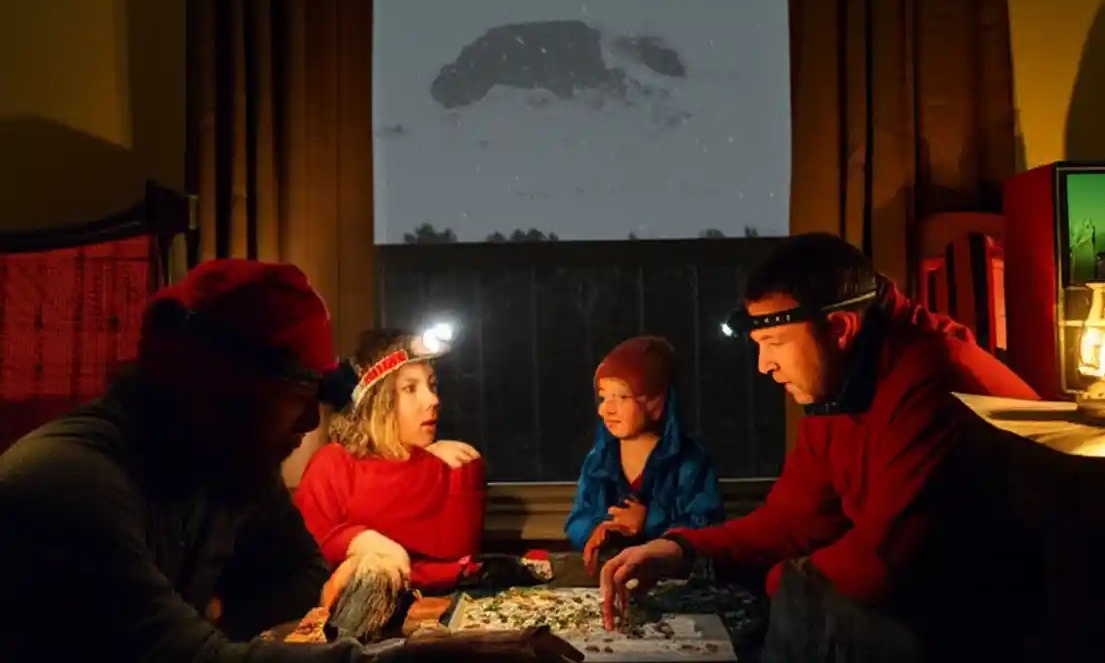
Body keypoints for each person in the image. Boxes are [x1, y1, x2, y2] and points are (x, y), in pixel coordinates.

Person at [0, 259, 578, 662]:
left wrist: (331, 592)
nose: (309, 425)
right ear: (223, 388)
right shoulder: (64, 484)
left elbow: (301, 578)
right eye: (299, 398)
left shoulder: (223, 466)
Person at [599, 234, 1041, 662]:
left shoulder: (934, 382)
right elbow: (791, 522)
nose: (764, 365)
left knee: (795, 596)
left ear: (839, 327)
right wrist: (679, 549)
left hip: (992, 630)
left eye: (774, 343)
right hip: (918, 612)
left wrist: (782, 582)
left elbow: (881, 565)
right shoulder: (844, 387)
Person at [294, 328, 485, 596]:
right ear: (377, 402)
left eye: (432, 385)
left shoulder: (456, 466)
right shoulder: (334, 465)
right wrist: (359, 540)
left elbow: (456, 558)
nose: (433, 400)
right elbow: (303, 551)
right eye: (410, 388)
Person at [564, 336, 723, 574]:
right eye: (604, 397)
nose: (605, 409)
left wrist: (649, 521)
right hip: (608, 576)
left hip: (673, 580)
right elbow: (577, 518)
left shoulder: (689, 460)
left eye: (622, 397)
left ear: (656, 402)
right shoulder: (599, 459)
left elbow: (707, 527)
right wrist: (598, 529)